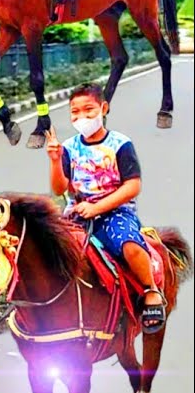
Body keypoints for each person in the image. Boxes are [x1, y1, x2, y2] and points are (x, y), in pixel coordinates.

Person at [47, 82, 165, 332]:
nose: (81, 117)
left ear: (103, 108)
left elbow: (132, 185)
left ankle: (150, 291)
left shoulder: (120, 144)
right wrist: (55, 161)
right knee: (47, 248)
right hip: (77, 212)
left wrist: (98, 208)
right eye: (75, 112)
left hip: (115, 211)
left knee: (129, 245)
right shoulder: (68, 147)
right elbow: (60, 188)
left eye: (88, 110)